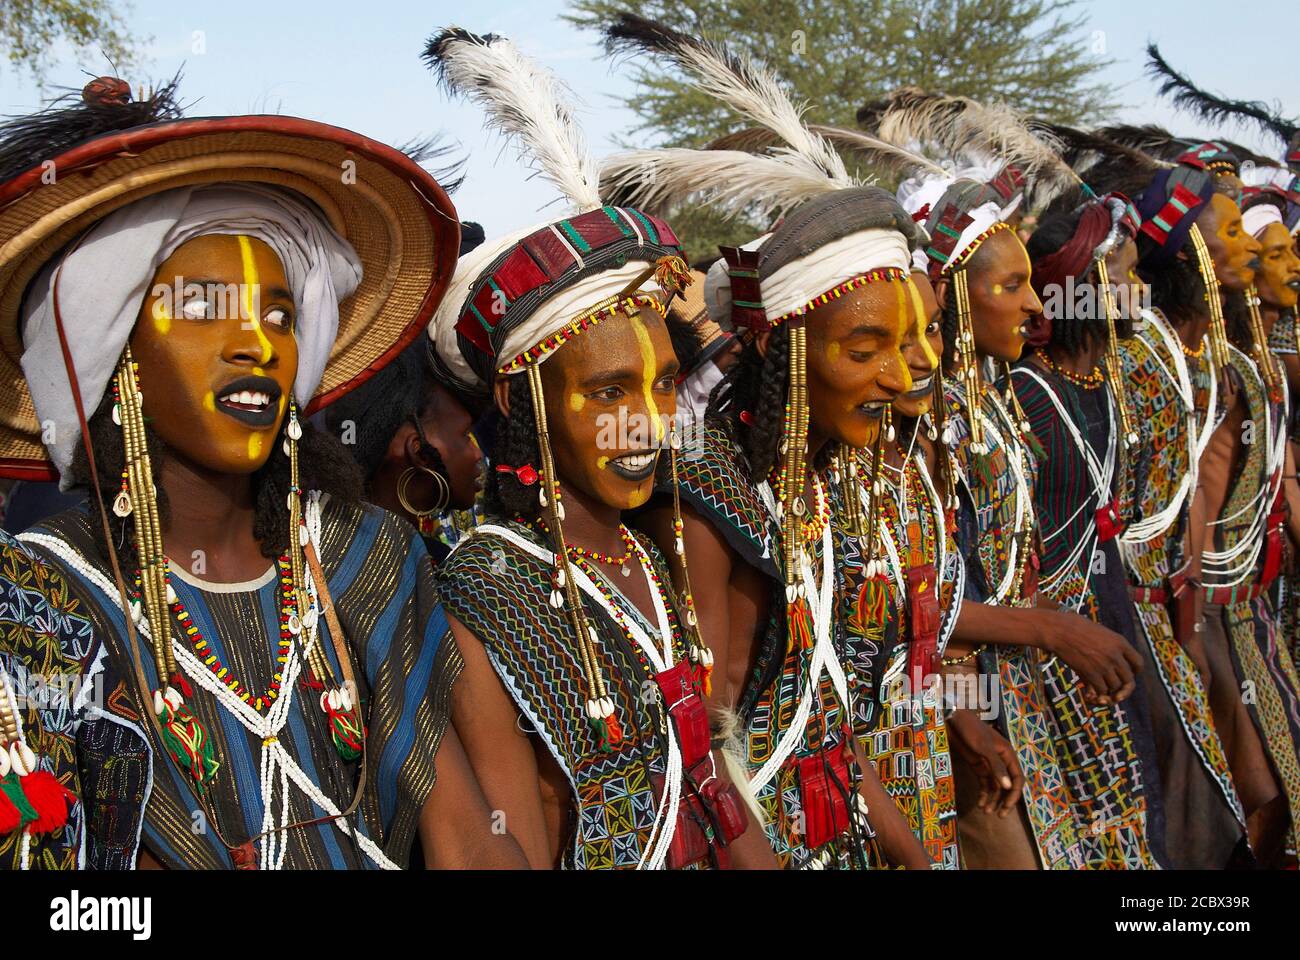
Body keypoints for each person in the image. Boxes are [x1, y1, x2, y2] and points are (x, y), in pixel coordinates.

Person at [0, 77, 523, 869]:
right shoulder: (38, 601)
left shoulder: (361, 555)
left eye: (280, 315)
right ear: (119, 355)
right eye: (204, 306)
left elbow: (468, 839)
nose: (256, 344)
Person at [601, 14, 946, 869]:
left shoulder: (837, 483)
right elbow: (707, 743)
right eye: (864, 351)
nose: (904, 378)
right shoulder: (713, 496)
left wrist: (907, 849)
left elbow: (826, 711)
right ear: (786, 350)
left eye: (909, 347)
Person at [426, 28, 750, 869]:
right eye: (609, 392)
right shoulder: (484, 588)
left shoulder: (652, 547)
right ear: (518, 397)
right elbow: (514, 837)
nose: (647, 423)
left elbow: (717, 790)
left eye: (665, 385)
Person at [1024, 186, 1246, 868]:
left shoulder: (1100, 383)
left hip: (1118, 615)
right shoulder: (1030, 396)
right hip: (1061, 643)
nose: (1138, 287)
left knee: (1183, 799)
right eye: (1121, 274)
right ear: (1082, 290)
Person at [324, 339, 483, 563]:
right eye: (465, 435)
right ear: (418, 451)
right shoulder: (436, 571)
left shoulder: (329, 549)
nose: (478, 454)